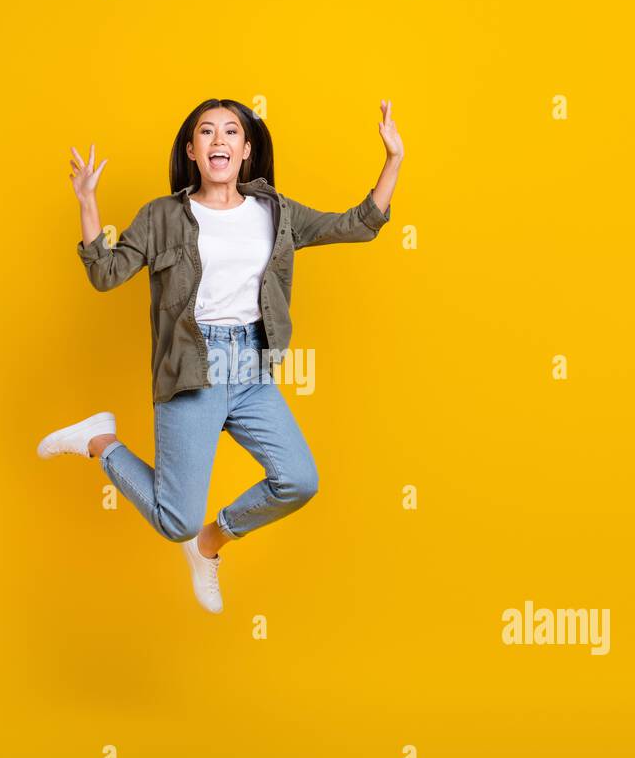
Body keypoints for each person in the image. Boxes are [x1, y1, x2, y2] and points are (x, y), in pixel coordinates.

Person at [39, 98, 404, 613]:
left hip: (250, 366)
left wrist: (392, 160)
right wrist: (87, 201)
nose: (218, 140)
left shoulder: (274, 212)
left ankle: (210, 546)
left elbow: (357, 225)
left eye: (231, 132)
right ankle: (100, 440)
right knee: (175, 522)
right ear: (192, 151)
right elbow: (106, 274)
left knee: (299, 480)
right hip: (193, 368)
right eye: (206, 132)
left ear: (246, 150)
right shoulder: (163, 216)